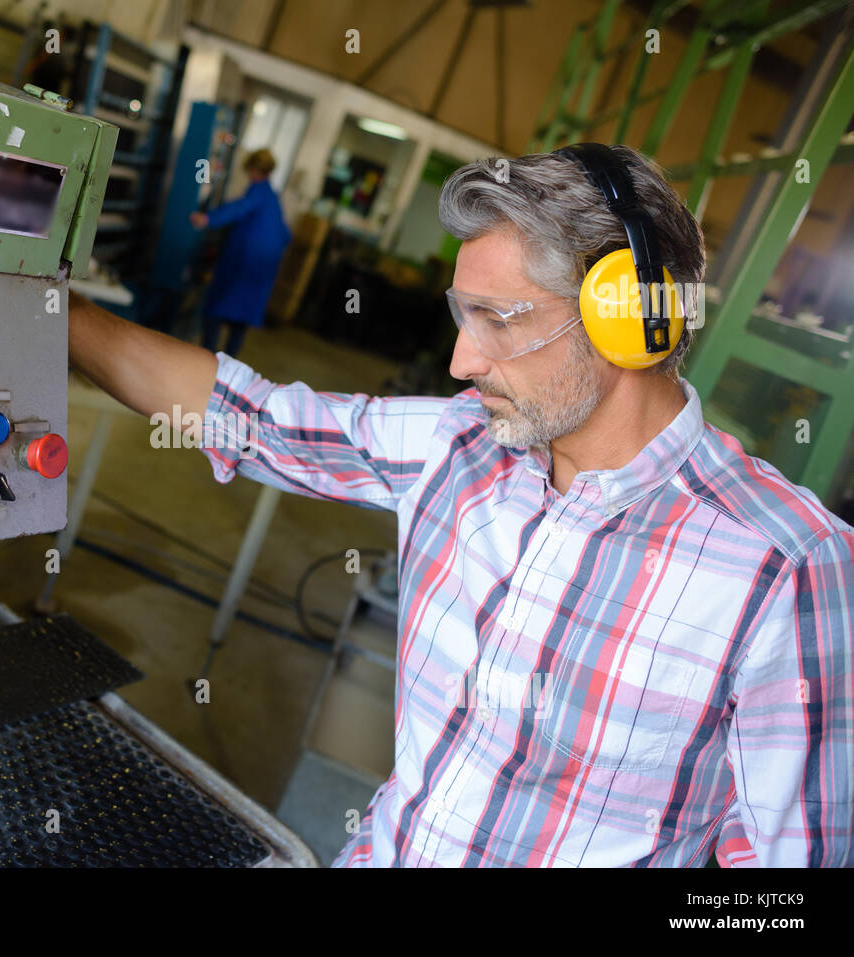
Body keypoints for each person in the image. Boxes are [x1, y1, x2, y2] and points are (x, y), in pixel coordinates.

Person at [67, 144, 854, 867]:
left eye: (498, 319)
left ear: (628, 317)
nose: (460, 359)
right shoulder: (460, 448)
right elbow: (253, 418)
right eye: (461, 314)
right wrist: (43, 306)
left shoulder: (785, 568)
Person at [189, 148, 292, 357]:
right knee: (241, 319)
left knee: (215, 310)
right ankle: (230, 367)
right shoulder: (273, 198)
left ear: (253, 169)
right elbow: (285, 234)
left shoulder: (257, 192)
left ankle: (208, 361)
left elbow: (238, 208)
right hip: (263, 269)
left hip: (244, 263)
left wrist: (208, 219)